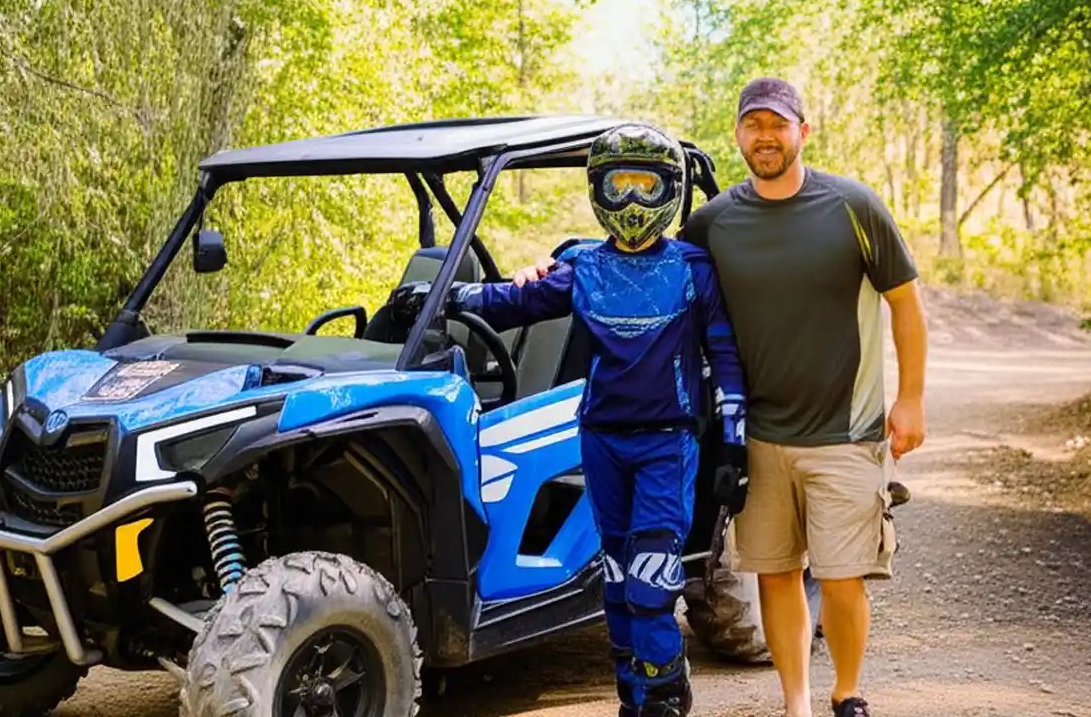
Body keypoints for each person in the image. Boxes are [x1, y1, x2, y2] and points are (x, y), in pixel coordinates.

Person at [513, 78, 928, 717]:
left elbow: (905, 303)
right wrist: (546, 267)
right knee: (778, 574)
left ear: (802, 132)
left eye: (778, 124)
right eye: (754, 124)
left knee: (844, 578)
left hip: (845, 429)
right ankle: (798, 705)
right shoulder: (713, 223)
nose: (766, 136)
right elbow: (637, 261)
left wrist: (911, 400)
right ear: (739, 135)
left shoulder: (853, 206)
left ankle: (848, 693)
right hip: (760, 435)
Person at [387, 123, 749, 717]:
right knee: (614, 581)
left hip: (668, 442)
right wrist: (439, 299)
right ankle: (636, 697)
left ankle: (662, 694)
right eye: (620, 185)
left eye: (645, 185)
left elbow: (725, 357)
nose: (632, 201)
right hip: (602, 441)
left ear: (669, 191)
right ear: (599, 190)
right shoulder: (584, 267)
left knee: (651, 581)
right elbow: (512, 302)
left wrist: (735, 446)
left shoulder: (693, 269)